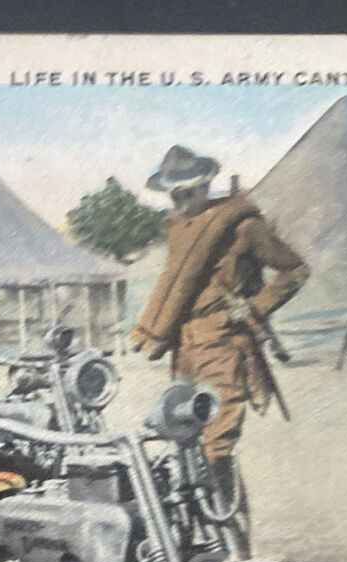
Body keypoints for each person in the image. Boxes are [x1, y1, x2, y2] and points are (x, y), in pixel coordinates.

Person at [128, 145, 309, 497]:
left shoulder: (242, 225)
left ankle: (232, 546)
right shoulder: (179, 229)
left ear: (205, 185)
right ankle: (196, 541)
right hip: (184, 347)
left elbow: (296, 270)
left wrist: (256, 306)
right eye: (174, 196)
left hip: (224, 344)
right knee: (185, 444)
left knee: (216, 448)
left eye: (187, 193)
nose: (180, 204)